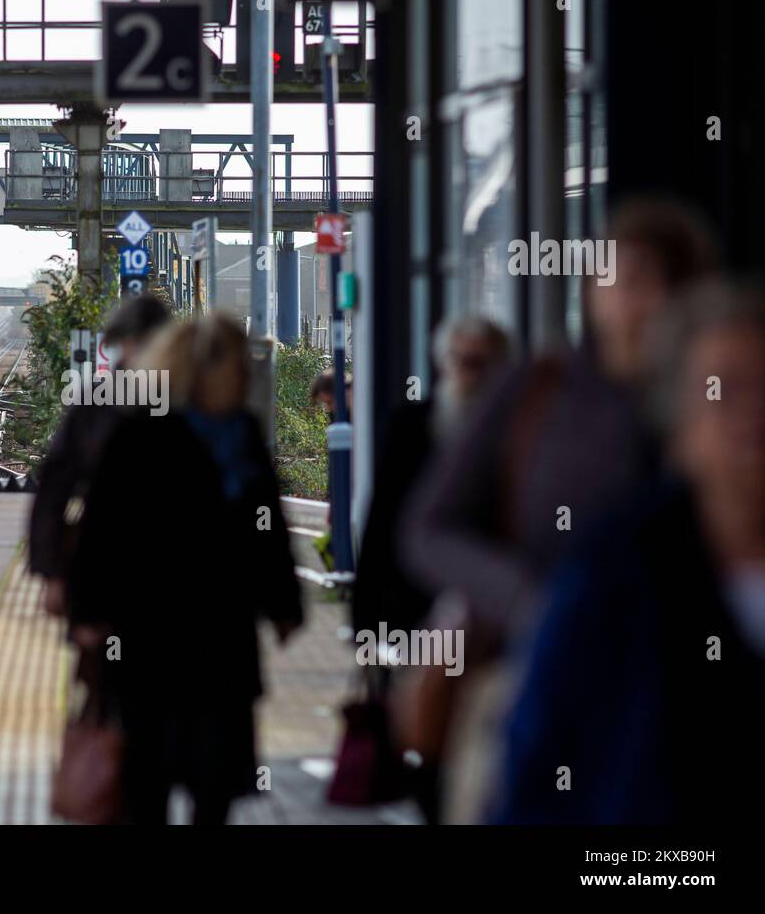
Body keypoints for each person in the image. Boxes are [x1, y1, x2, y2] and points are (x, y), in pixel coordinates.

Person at [395, 198, 720, 823]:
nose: (642, 304)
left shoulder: (715, 397)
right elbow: (428, 526)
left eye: (663, 283)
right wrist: (535, 602)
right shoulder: (539, 390)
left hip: (689, 688)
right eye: (622, 280)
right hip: (538, 676)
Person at [494, 283, 765, 823]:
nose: (754, 414)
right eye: (727, 391)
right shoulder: (614, 574)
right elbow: (539, 774)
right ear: (679, 425)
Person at [66, 315, 304, 824]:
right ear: (203, 371)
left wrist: (284, 604)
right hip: (147, 640)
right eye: (239, 367)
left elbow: (270, 531)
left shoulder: (244, 434)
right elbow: (99, 535)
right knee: (145, 782)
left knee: (215, 784)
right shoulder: (140, 438)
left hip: (222, 639)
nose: (248, 378)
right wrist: (86, 617)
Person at [348, 315, 510, 821]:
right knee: (421, 739)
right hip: (415, 614)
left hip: (494, 621)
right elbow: (381, 525)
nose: (469, 372)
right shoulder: (411, 425)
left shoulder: (520, 430)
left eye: (481, 362)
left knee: (482, 739)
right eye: (459, 360)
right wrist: (365, 623)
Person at [28, 295, 171, 615]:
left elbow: (55, 485)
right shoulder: (100, 402)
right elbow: (56, 485)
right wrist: (51, 573)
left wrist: (50, 572)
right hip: (106, 564)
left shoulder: (101, 401)